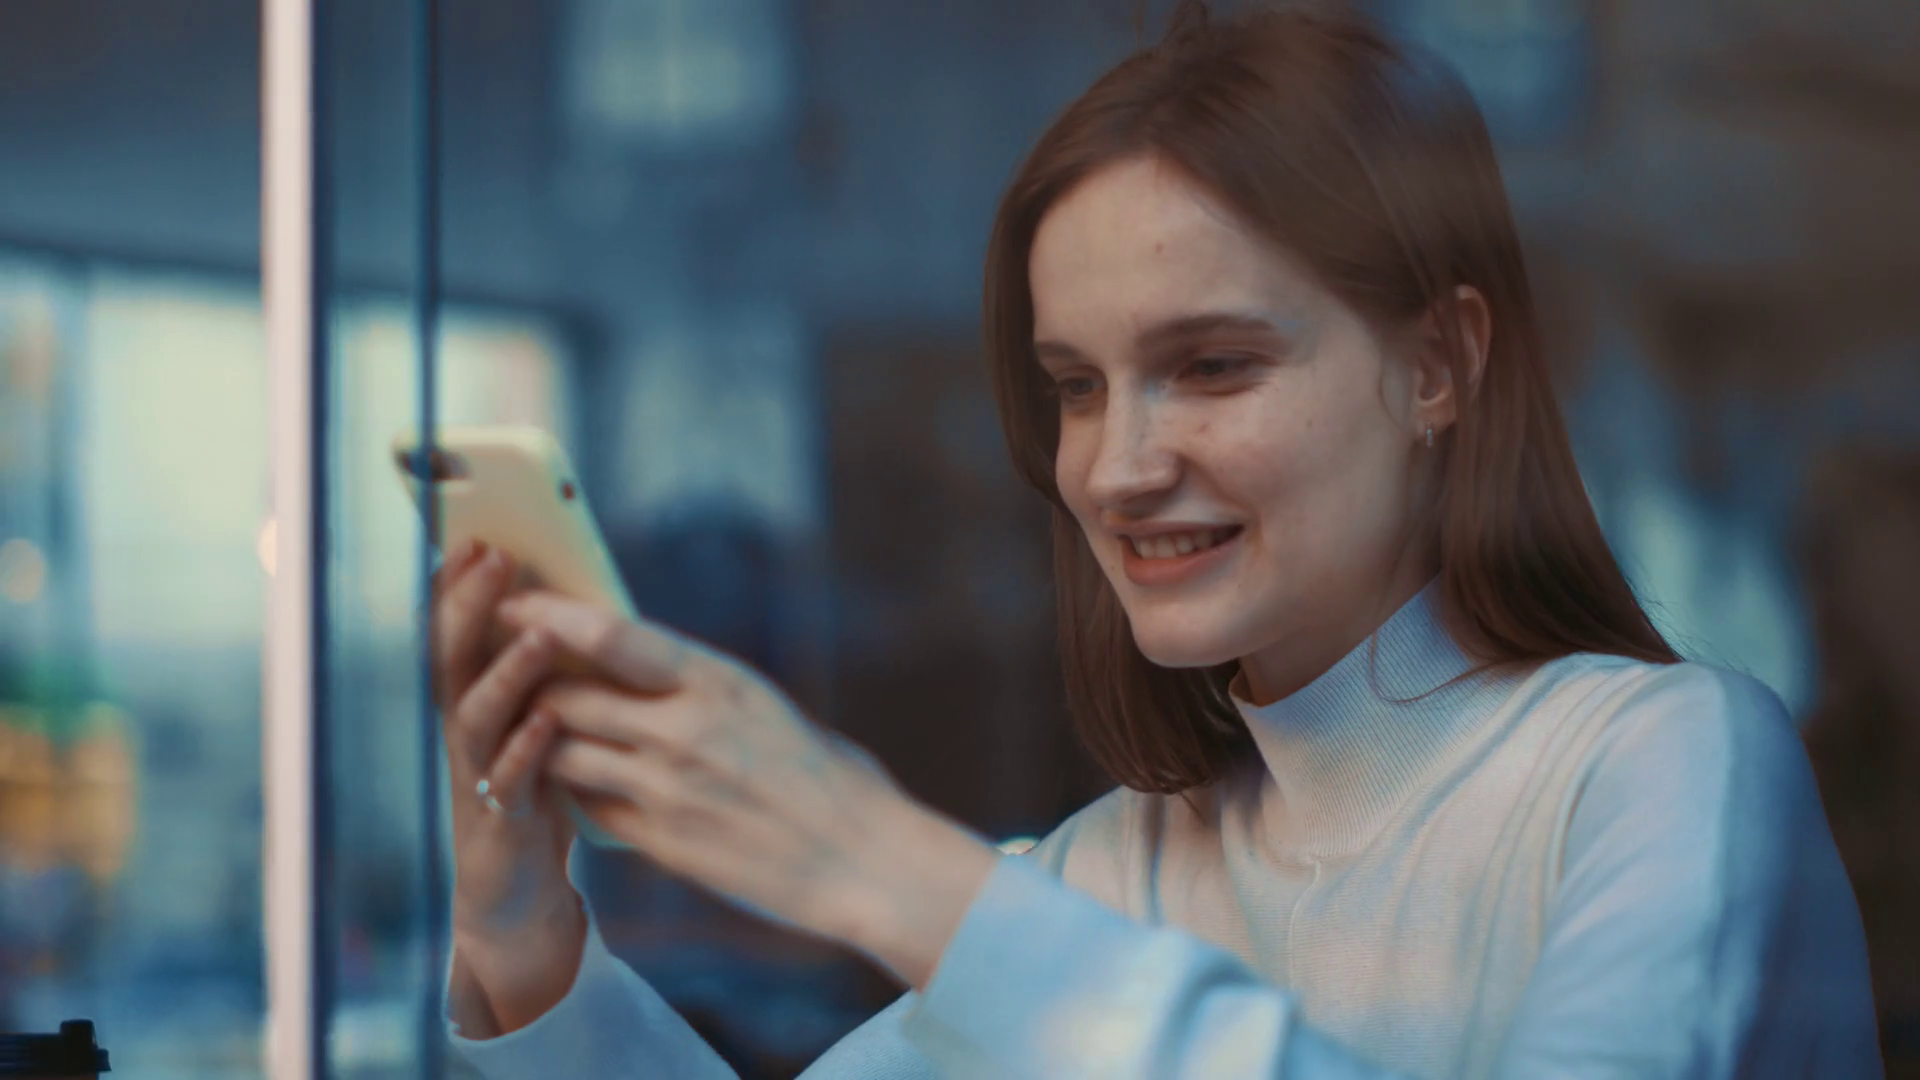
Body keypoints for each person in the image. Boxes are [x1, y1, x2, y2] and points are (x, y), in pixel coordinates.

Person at [431, 5, 1882, 1077]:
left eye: (1213, 365)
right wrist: (523, 935)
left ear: (1438, 365)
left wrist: (876, 860)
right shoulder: (1106, 871)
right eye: (1076, 387)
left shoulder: (1666, 762)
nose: (1118, 469)